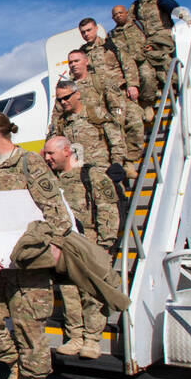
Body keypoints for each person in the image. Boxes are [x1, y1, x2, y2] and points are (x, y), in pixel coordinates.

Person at [0, 111, 73, 379]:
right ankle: (17, 367)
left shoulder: (29, 162)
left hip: (28, 259)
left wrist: (56, 245)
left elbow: (54, 206)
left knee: (29, 326)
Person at [43, 136, 120, 359]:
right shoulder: (52, 181)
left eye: (51, 154)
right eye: (46, 154)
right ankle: (74, 336)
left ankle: (93, 339)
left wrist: (106, 244)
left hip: (90, 243)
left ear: (66, 152)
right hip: (65, 245)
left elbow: (108, 209)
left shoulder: (92, 175)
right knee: (69, 292)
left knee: (92, 294)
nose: (47, 158)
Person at [79, 18, 143, 177]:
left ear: (95, 29)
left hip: (119, 92)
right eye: (83, 32)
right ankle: (120, 165)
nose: (86, 34)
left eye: (89, 30)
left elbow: (127, 63)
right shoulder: (82, 53)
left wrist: (132, 84)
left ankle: (130, 159)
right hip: (100, 98)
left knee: (135, 121)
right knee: (113, 129)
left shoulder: (111, 45)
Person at [49, 78, 127, 187]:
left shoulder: (96, 114)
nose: (63, 102)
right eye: (59, 100)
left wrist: (117, 165)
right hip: (78, 182)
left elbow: (117, 142)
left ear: (77, 94)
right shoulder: (60, 124)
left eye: (66, 97)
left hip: (104, 176)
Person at [130, 0, 191, 84]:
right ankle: (170, 85)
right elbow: (129, 22)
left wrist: (188, 20)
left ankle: (180, 81)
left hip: (164, 34)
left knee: (163, 58)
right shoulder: (135, 6)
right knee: (155, 63)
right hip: (149, 39)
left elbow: (175, 9)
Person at [108, 5, 158, 123]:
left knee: (146, 76)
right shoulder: (112, 35)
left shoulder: (139, 25)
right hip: (125, 65)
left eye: (120, 13)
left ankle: (147, 104)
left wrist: (152, 46)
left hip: (141, 59)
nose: (118, 16)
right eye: (115, 15)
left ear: (126, 13)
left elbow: (153, 36)